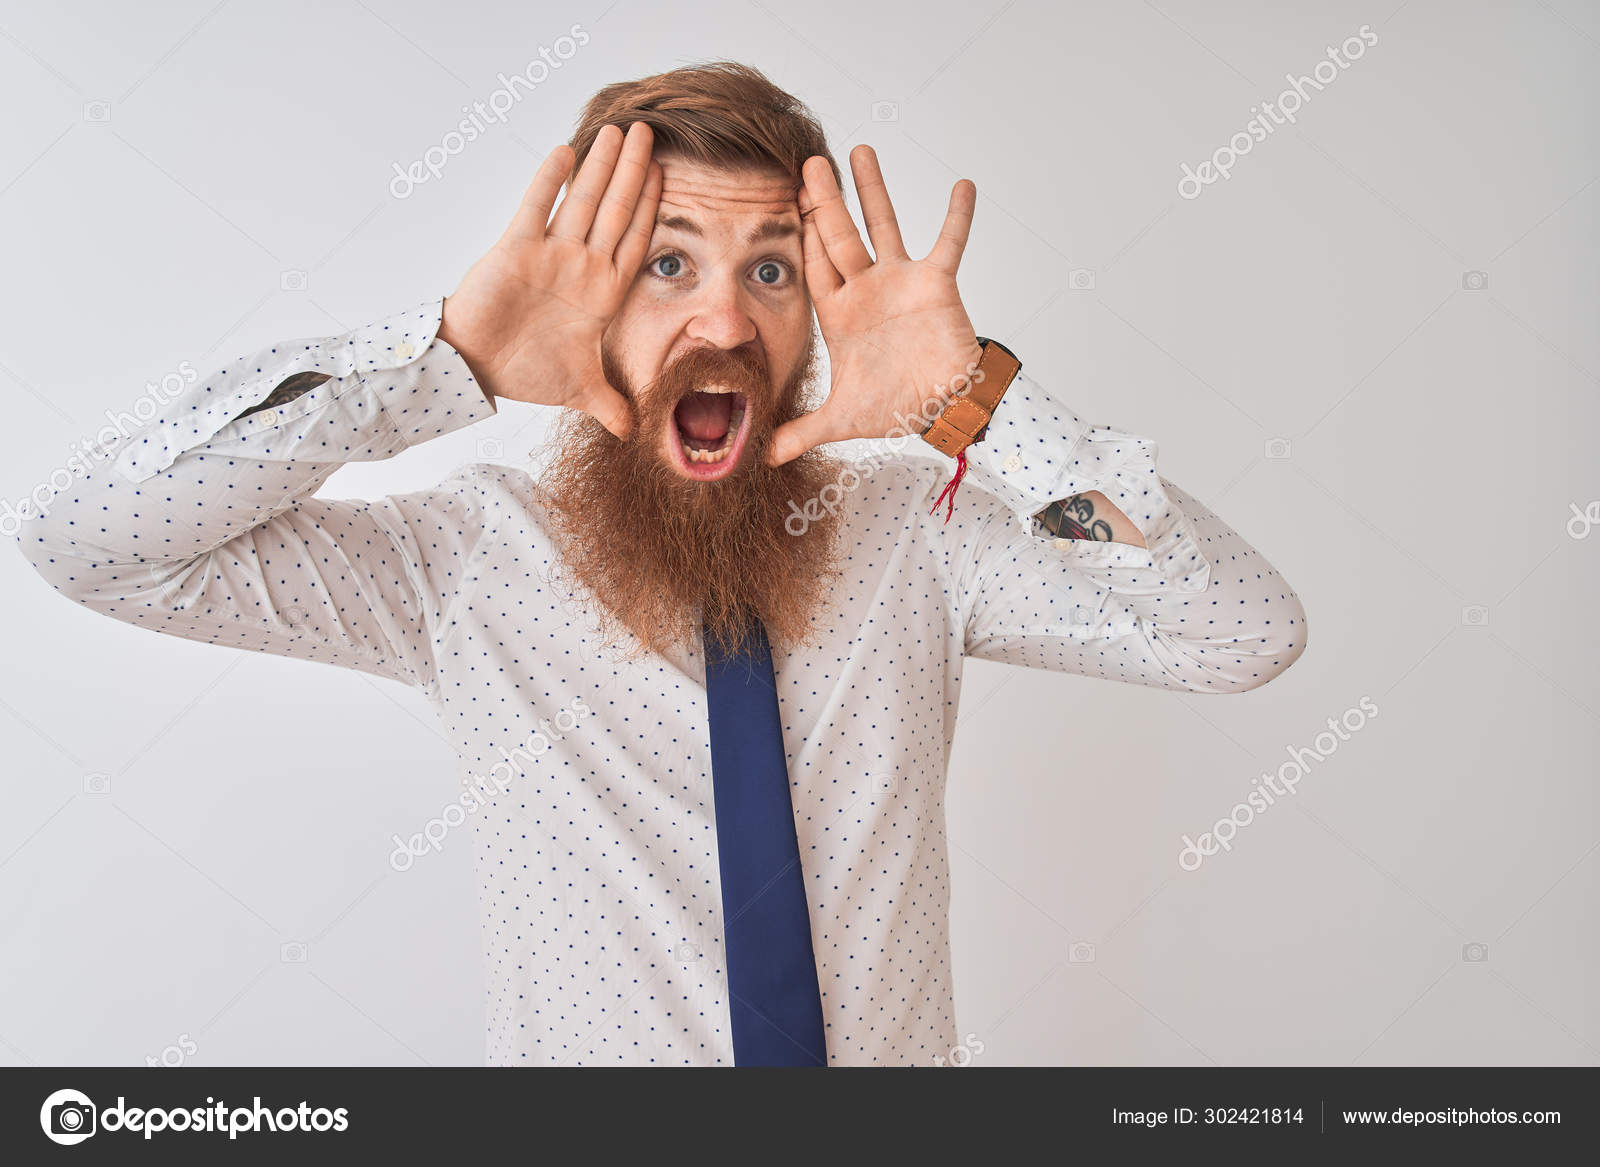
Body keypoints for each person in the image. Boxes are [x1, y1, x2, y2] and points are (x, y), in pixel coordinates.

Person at [16, 61, 1306, 1066]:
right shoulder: (463, 557)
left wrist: (979, 404)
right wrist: (443, 361)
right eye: (666, 264)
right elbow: (88, 538)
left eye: (773, 270)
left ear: (816, 315)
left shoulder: (923, 536)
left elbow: (1240, 634)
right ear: (583, 291)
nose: (725, 319)